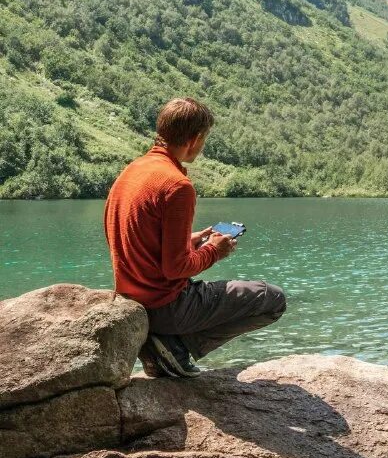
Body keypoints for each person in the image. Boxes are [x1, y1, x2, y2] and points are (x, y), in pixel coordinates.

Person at [104, 97, 286, 378]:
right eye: (204, 139)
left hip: (131, 298)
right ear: (195, 138)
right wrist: (215, 250)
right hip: (166, 305)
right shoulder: (177, 186)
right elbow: (174, 269)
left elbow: (140, 239)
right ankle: (177, 347)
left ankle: (164, 346)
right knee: (271, 299)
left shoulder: (133, 170)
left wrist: (190, 241)